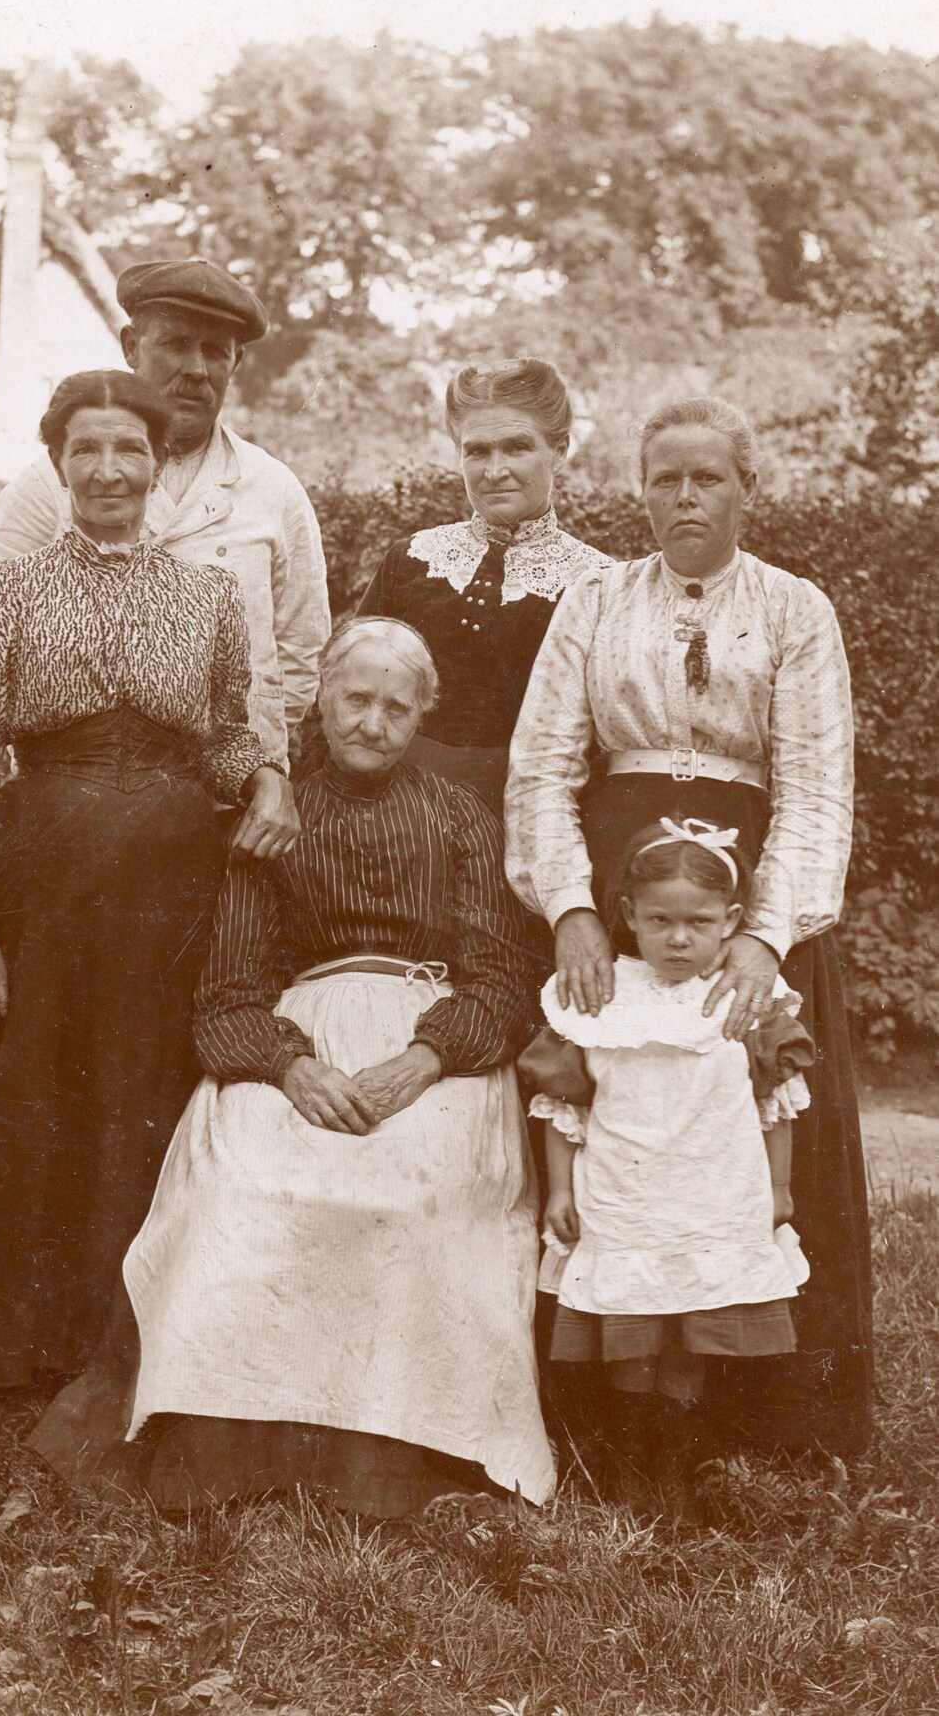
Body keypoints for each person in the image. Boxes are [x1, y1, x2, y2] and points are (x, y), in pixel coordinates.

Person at [30, 618, 555, 1517]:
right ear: (321, 698)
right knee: (248, 1183)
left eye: (398, 706)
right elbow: (228, 996)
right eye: (356, 699)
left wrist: (426, 1058)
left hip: (437, 1043)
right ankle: (223, 1451)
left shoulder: (463, 818)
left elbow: (501, 978)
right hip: (299, 1032)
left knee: (420, 1189)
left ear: (422, 715)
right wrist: (291, 1068)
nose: (373, 723)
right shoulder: (276, 821)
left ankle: (407, 1460)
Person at [0, 370, 284, 1393]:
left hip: (166, 897)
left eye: (127, 448)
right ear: (57, 465)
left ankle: (121, 1352)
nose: (107, 469)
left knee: (136, 1101)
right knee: (35, 1104)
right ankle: (8, 1352)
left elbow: (226, 731)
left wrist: (268, 777)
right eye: (84, 449)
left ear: (156, 461)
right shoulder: (7, 589)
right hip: (40, 888)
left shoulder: (208, 592)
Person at [506, 395, 873, 1459]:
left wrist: (767, 936)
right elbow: (541, 767)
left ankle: (760, 1423)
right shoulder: (594, 599)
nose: (683, 497)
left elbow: (815, 788)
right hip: (617, 900)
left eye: (707, 477)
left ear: (747, 491)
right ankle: (599, 1419)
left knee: (744, 1114)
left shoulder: (798, 610)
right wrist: (571, 906)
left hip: (741, 900)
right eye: (663, 477)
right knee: (606, 1117)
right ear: (640, 491)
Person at [525, 817, 814, 1509]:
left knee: (689, 1324)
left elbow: (776, 1100)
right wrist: (560, 1188)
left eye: (698, 921)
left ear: (731, 920)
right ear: (628, 915)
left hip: (712, 1189)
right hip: (626, 1189)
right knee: (632, 1325)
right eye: (659, 920)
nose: (678, 938)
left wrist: (777, 1186)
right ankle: (631, 1467)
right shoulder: (600, 993)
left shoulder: (748, 998)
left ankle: (677, 1469)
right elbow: (566, 1107)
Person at [0, 257, 330, 792]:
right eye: (175, 342)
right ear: (130, 346)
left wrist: (254, 764)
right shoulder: (45, 484)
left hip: (233, 798)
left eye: (215, 352)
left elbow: (302, 650)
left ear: (234, 364)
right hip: (80, 794)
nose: (195, 369)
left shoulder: (273, 489)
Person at [355, 357, 611, 813]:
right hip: (392, 813)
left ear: (559, 451)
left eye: (516, 448)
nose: (494, 471)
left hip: (528, 814)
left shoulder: (599, 584)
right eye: (477, 451)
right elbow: (348, 697)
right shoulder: (412, 559)